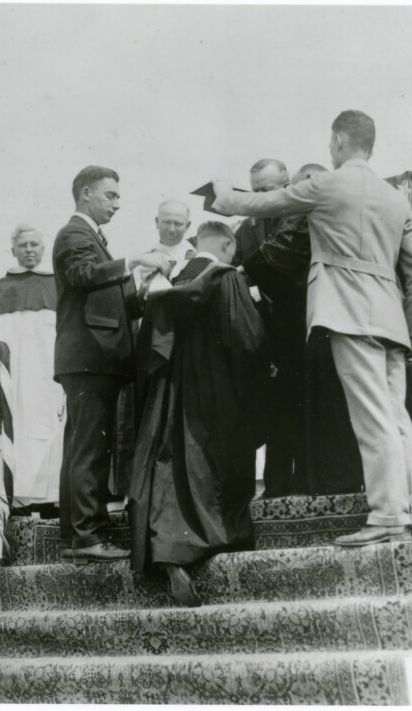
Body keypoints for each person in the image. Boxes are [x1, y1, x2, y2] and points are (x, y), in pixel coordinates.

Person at [212, 109, 412, 547]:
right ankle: (404, 512)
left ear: (337, 141)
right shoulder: (395, 197)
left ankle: (387, 516)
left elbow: (258, 204)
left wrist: (221, 194)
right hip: (392, 319)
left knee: (372, 420)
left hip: (346, 312)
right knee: (396, 418)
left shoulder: (328, 184)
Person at [130, 221, 270, 606]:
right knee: (212, 468)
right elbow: (245, 339)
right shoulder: (225, 278)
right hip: (214, 392)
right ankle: (219, 542)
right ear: (227, 245)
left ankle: (169, 555)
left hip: (171, 393)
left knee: (170, 467)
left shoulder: (171, 279)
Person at [53, 165, 172, 564]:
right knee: (89, 451)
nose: (117, 204)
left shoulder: (91, 238)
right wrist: (132, 261)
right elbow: (83, 275)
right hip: (90, 359)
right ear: (85, 194)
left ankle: (78, 535)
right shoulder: (74, 233)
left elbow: (111, 300)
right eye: (110, 196)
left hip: (93, 359)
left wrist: (144, 289)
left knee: (82, 449)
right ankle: (86, 538)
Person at [238, 163, 364, 495]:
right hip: (271, 333)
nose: (262, 197)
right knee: (281, 410)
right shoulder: (246, 229)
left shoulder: (306, 216)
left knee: (317, 406)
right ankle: (278, 485)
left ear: (286, 185)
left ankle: (318, 481)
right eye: (256, 191)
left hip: (311, 324)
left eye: (268, 190)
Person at [0, 224, 64, 514]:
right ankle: (16, 504)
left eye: (34, 244)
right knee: (15, 431)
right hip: (13, 382)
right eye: (23, 245)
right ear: (13, 250)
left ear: (43, 248)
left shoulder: (57, 285)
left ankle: (52, 502)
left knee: (50, 431)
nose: (29, 250)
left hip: (48, 381)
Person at [133, 200, 196, 285]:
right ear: (157, 222)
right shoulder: (143, 262)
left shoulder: (197, 258)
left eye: (178, 224)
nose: (171, 229)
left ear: (187, 226)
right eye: (166, 222)